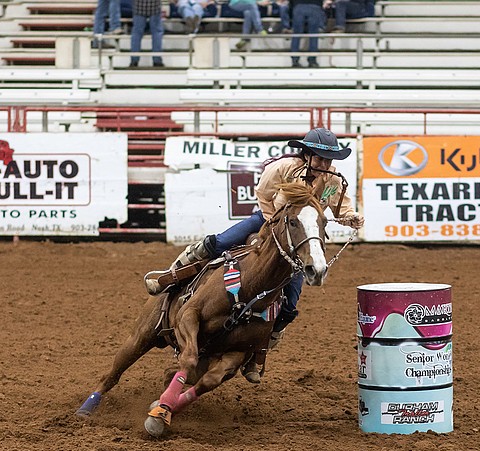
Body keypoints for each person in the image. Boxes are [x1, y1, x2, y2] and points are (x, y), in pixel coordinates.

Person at [143, 128, 364, 381]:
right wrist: (273, 223)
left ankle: (256, 351)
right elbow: (263, 194)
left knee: (290, 304)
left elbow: (340, 208)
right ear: (307, 154)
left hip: (298, 237)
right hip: (270, 220)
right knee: (219, 243)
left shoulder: (334, 181)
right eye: (320, 157)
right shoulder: (285, 168)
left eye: (329, 159)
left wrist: (351, 218)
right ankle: (172, 275)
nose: (325, 163)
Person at [289, 0, 326, 67]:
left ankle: (295, 60)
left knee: (296, 35)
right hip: (315, 6)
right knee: (313, 35)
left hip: (298, 6)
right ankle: (312, 60)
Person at [130, 0, 165, 67]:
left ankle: (134, 61)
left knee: (136, 33)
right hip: (154, 6)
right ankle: (157, 61)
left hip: (138, 6)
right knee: (156, 33)